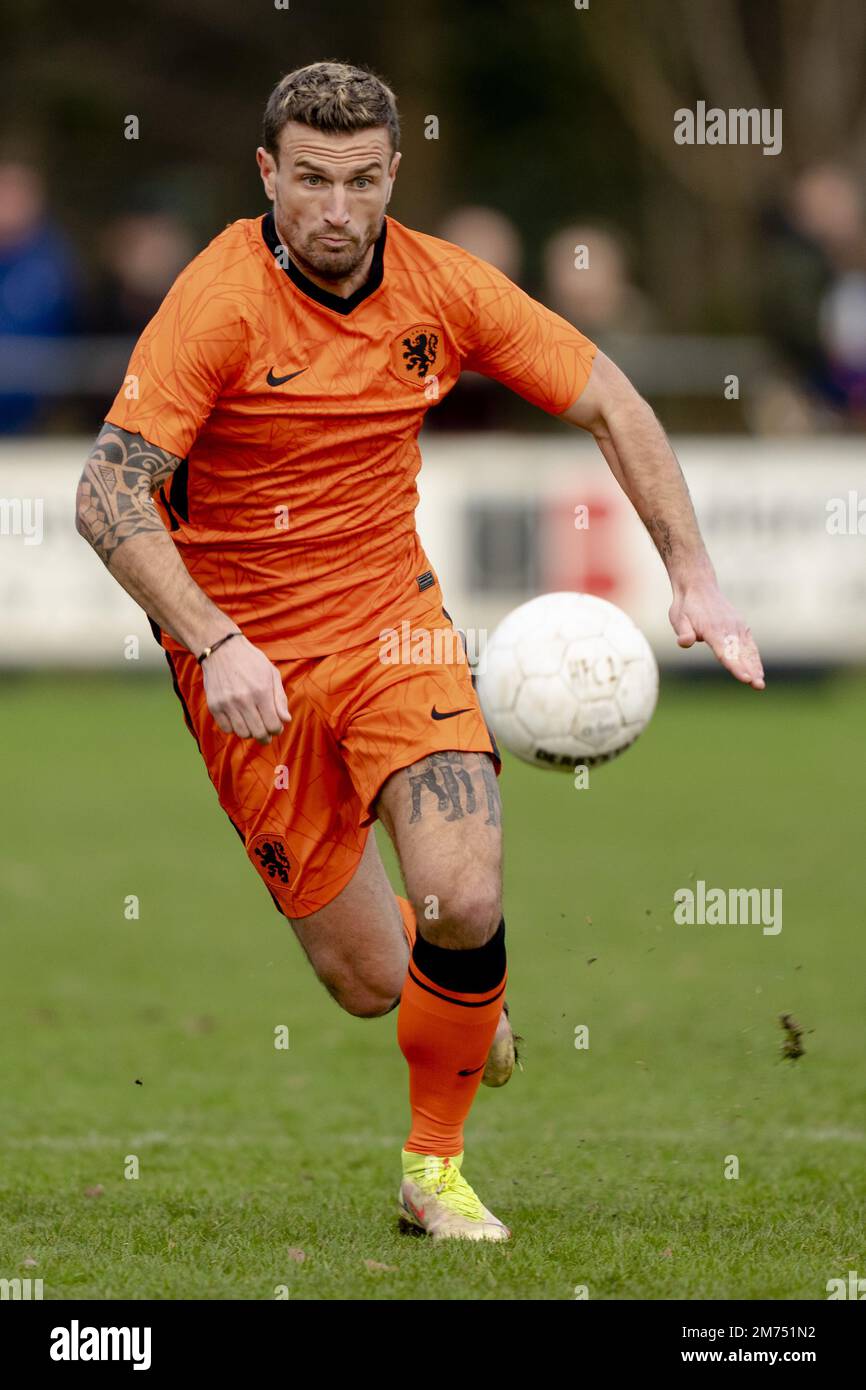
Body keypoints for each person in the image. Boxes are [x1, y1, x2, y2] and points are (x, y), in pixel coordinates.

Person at [75, 61, 764, 1243]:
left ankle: (431, 1170)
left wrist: (692, 577)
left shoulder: (444, 286)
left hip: (394, 626)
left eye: (358, 181)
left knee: (465, 889)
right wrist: (215, 637)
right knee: (362, 980)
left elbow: (613, 403)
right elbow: (105, 496)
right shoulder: (217, 303)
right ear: (266, 176)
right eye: (307, 181)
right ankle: (455, 988)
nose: (333, 210)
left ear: (393, 172)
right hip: (244, 664)